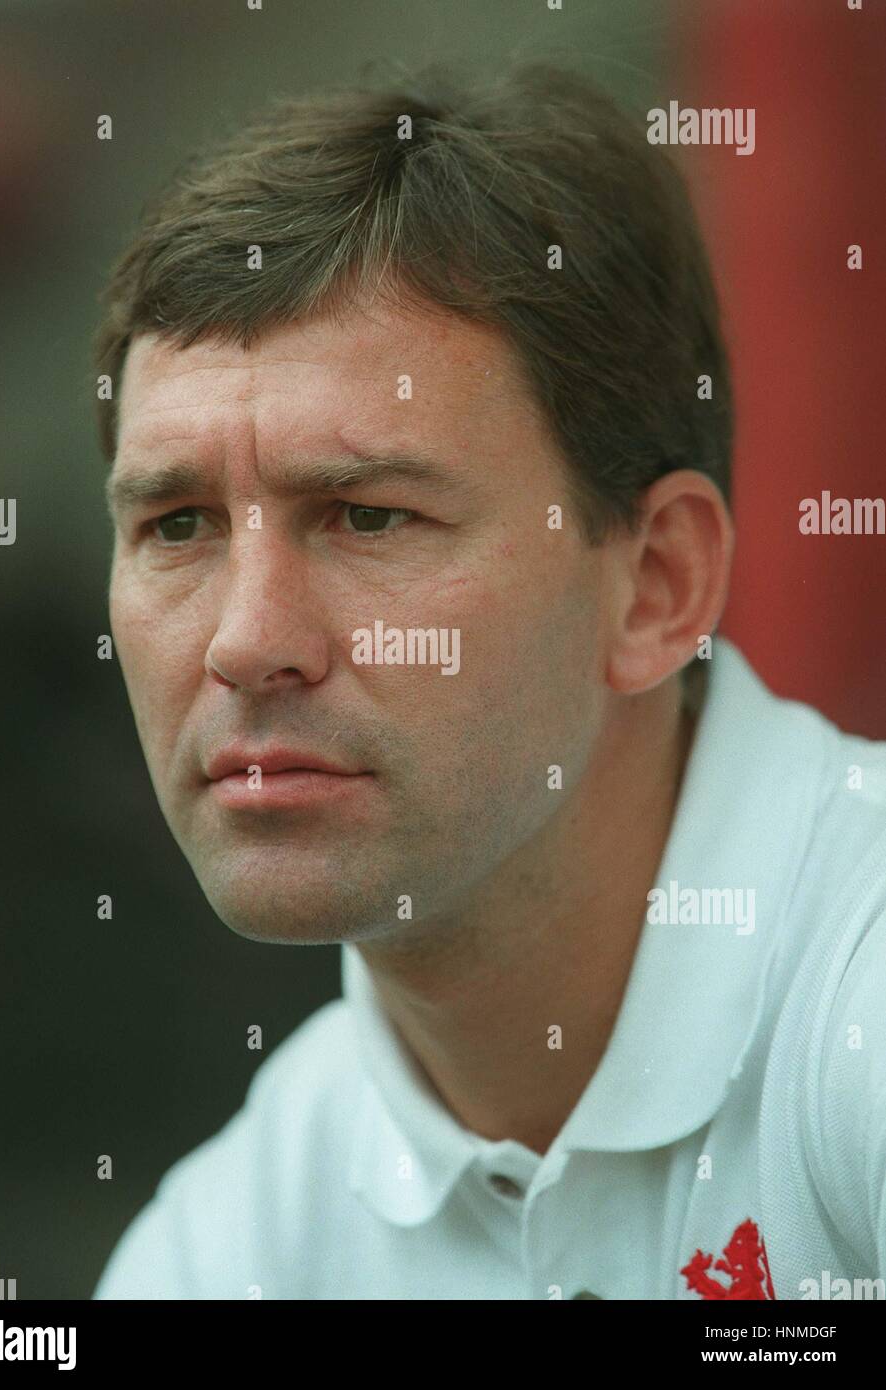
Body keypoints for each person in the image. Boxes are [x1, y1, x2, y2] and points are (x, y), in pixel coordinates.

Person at [90, 62, 886, 1300]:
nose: (245, 642)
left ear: (657, 584)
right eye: (179, 526)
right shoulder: (233, 1241)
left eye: (367, 516)